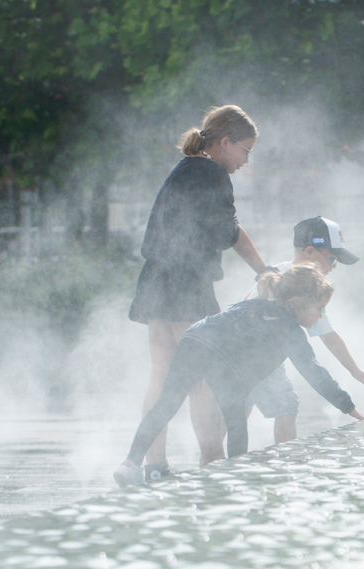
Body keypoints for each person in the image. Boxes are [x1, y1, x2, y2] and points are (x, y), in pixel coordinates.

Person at [114, 264, 364, 487]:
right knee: (236, 427)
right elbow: (316, 374)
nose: (322, 315)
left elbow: (220, 325)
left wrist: (198, 365)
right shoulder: (292, 333)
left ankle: (131, 464)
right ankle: (236, 477)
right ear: (299, 303)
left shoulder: (255, 303)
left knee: (165, 406)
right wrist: (349, 407)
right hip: (225, 365)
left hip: (194, 339)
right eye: (320, 308)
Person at [128, 104, 268, 478]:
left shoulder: (185, 169)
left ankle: (155, 465)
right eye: (245, 151)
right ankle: (212, 459)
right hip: (186, 282)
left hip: (155, 280)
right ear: (226, 142)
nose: (246, 160)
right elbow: (230, 233)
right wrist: (264, 271)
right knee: (202, 376)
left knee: (162, 375)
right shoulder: (211, 174)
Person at [246, 216, 364, 444]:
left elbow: (329, 335)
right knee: (285, 405)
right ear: (309, 252)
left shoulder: (308, 286)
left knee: (253, 408)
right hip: (250, 353)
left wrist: (354, 370)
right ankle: (286, 465)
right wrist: (347, 406)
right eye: (332, 260)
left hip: (254, 356)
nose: (333, 268)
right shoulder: (279, 278)